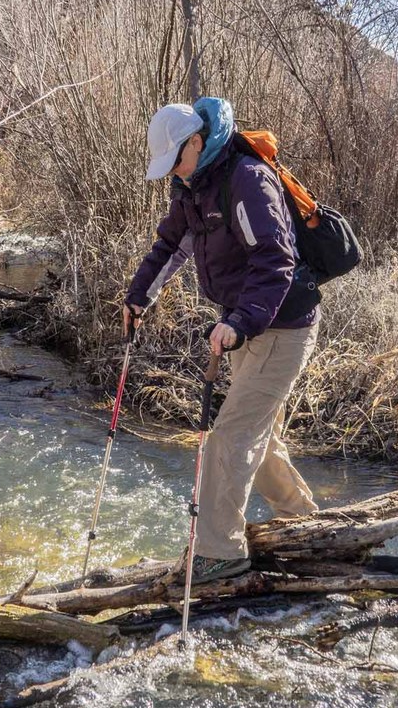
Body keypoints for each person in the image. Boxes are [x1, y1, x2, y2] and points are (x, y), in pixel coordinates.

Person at [125, 98, 319, 583]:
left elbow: (275, 260)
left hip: (282, 326)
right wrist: (138, 296)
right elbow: (171, 244)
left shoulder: (247, 180)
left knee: (230, 438)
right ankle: (303, 522)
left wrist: (242, 320)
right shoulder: (193, 187)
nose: (174, 172)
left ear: (196, 142)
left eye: (176, 160)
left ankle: (220, 553)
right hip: (243, 324)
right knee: (257, 436)